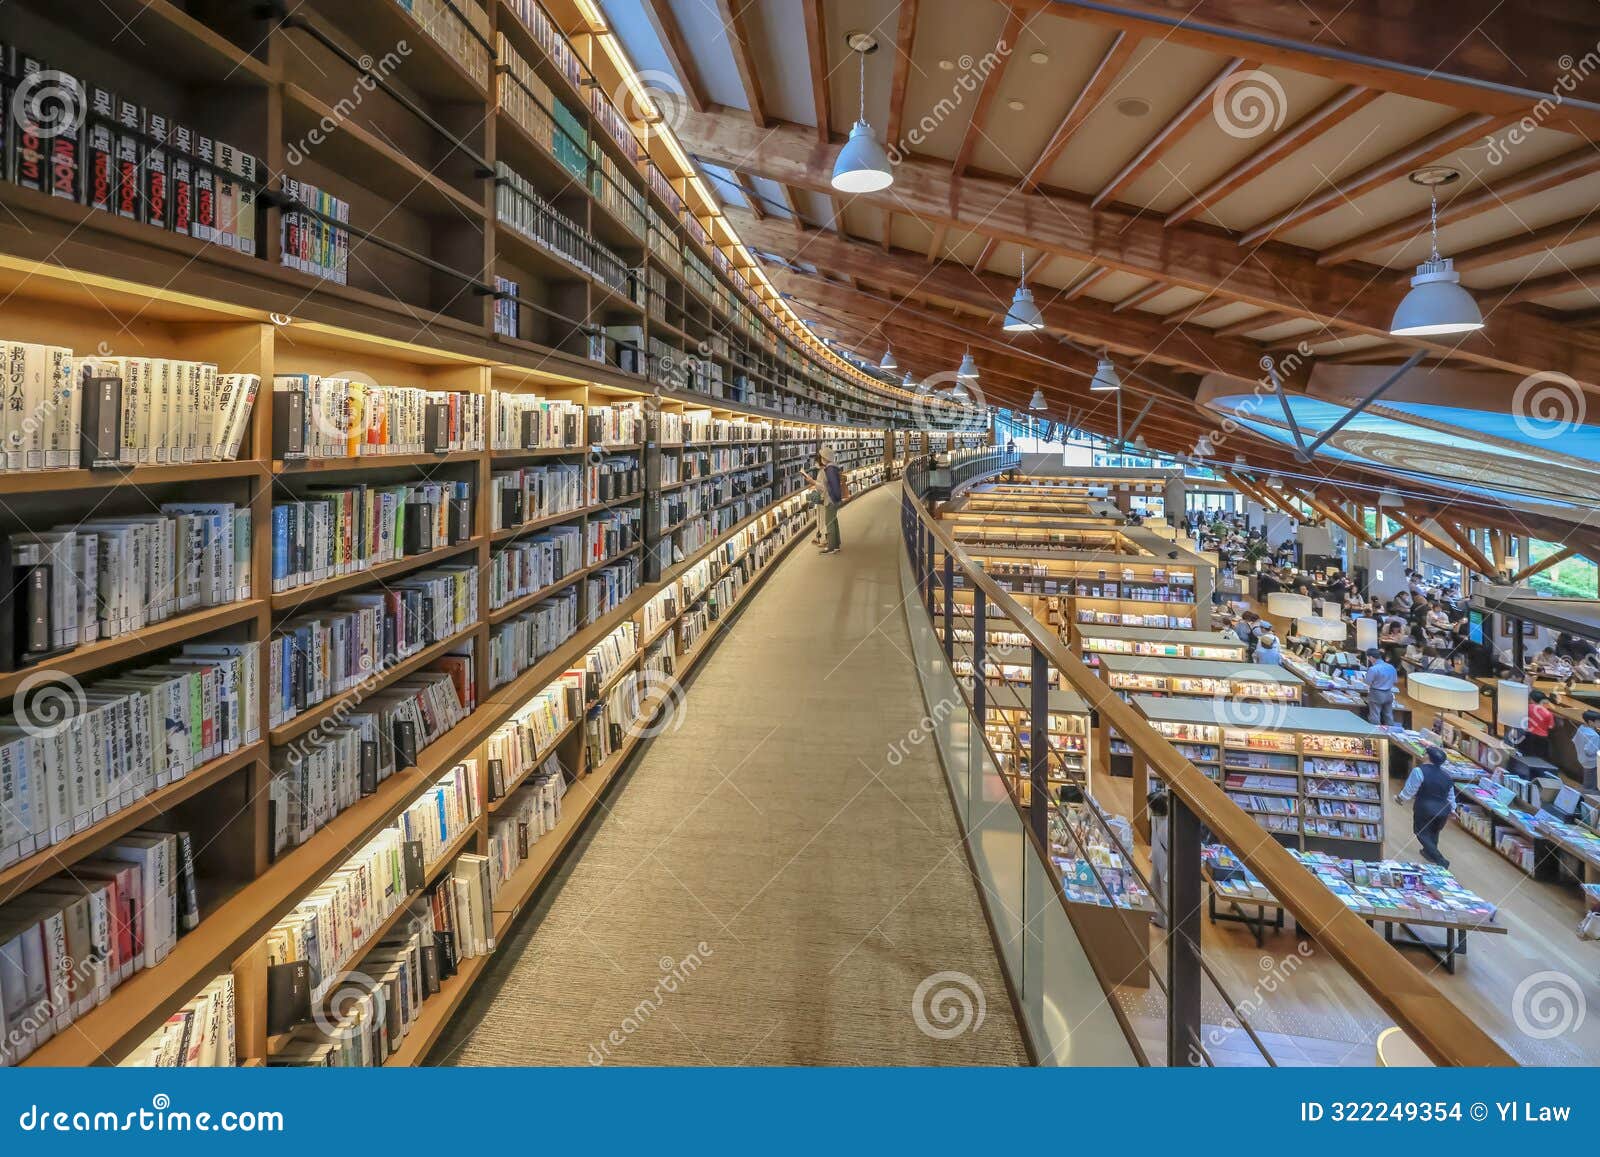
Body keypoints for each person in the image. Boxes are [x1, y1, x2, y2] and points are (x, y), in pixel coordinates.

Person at [1396, 745, 1456, 868]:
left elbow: (1410, 789)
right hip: (1443, 810)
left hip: (1424, 807)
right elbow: (1451, 796)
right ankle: (1428, 853)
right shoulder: (1447, 776)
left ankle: (1440, 860)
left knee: (1421, 832)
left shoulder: (1419, 771)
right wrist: (1453, 809)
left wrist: (1400, 798)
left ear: (1428, 756)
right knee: (1434, 832)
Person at [802, 446, 845, 555]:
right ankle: (836, 545)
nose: (820, 459)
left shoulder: (828, 470)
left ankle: (831, 547)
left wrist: (813, 482)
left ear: (825, 458)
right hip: (834, 498)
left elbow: (825, 487)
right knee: (834, 522)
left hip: (830, 499)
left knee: (829, 523)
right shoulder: (833, 468)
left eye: (821, 457)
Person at [1147, 788, 1170, 929]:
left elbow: (1168, 844)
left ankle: (1167, 923)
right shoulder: (1155, 818)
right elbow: (1154, 838)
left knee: (1165, 890)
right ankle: (1159, 916)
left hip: (1166, 860)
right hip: (1157, 856)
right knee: (1155, 885)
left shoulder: (1168, 823)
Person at [1364, 647, 1398, 728]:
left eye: (1368, 658)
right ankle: (1391, 732)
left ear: (1371, 657)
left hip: (1376, 693)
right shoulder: (1391, 667)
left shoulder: (1373, 669)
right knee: (1388, 715)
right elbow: (1395, 680)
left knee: (1375, 714)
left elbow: (1367, 682)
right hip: (1389, 693)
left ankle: (1375, 733)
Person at [1522, 689, 1556, 759]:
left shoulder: (1526, 707)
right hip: (1542, 739)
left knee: (1525, 756)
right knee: (1539, 759)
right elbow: (1551, 727)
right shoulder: (1549, 713)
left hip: (1528, 736)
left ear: (1531, 699)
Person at [1573, 710, 1600, 793]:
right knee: (1592, 786)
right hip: (1592, 763)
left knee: (1588, 782)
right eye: (1598, 721)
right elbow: (1590, 751)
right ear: (1591, 722)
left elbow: (1575, 740)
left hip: (1582, 759)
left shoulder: (1581, 728)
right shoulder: (1594, 736)